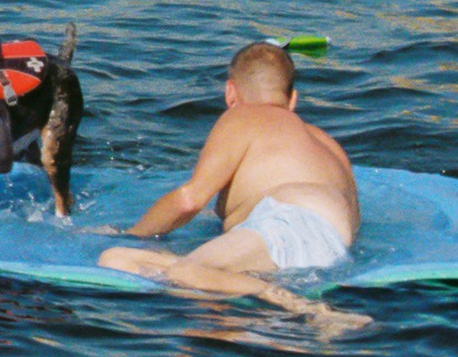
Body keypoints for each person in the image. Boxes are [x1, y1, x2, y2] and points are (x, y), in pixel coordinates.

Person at [99, 40, 371, 334]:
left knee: (186, 273)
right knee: (115, 259)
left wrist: (133, 233)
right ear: (293, 99)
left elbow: (189, 200)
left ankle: (308, 309)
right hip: (332, 246)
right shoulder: (328, 144)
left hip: (290, 222)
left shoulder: (243, 115)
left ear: (231, 93)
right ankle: (267, 312)